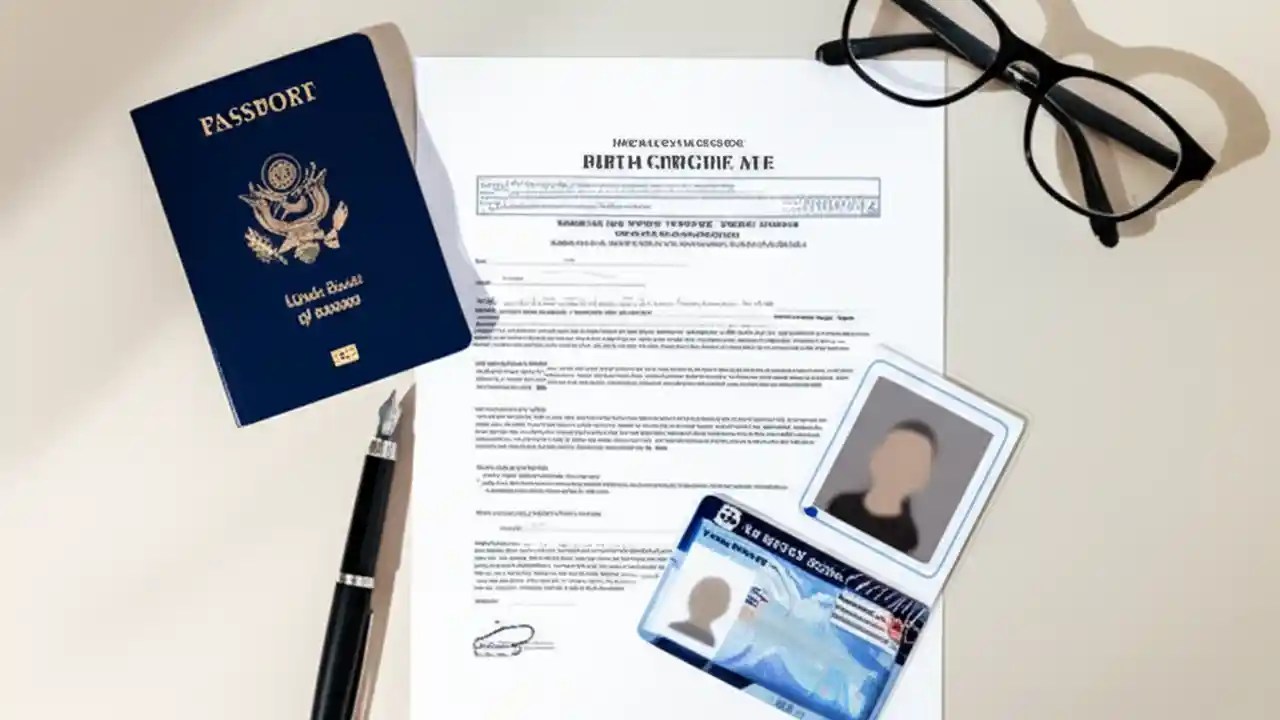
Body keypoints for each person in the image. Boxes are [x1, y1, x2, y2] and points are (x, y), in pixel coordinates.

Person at [826, 419, 938, 555]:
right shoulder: (841, 505)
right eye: (894, 453)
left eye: (912, 460)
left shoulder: (906, 539)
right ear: (875, 456)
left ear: (924, 477)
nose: (898, 466)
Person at [668, 576, 731, 647]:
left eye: (696, 597)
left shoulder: (675, 628)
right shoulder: (709, 641)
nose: (690, 600)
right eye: (692, 596)